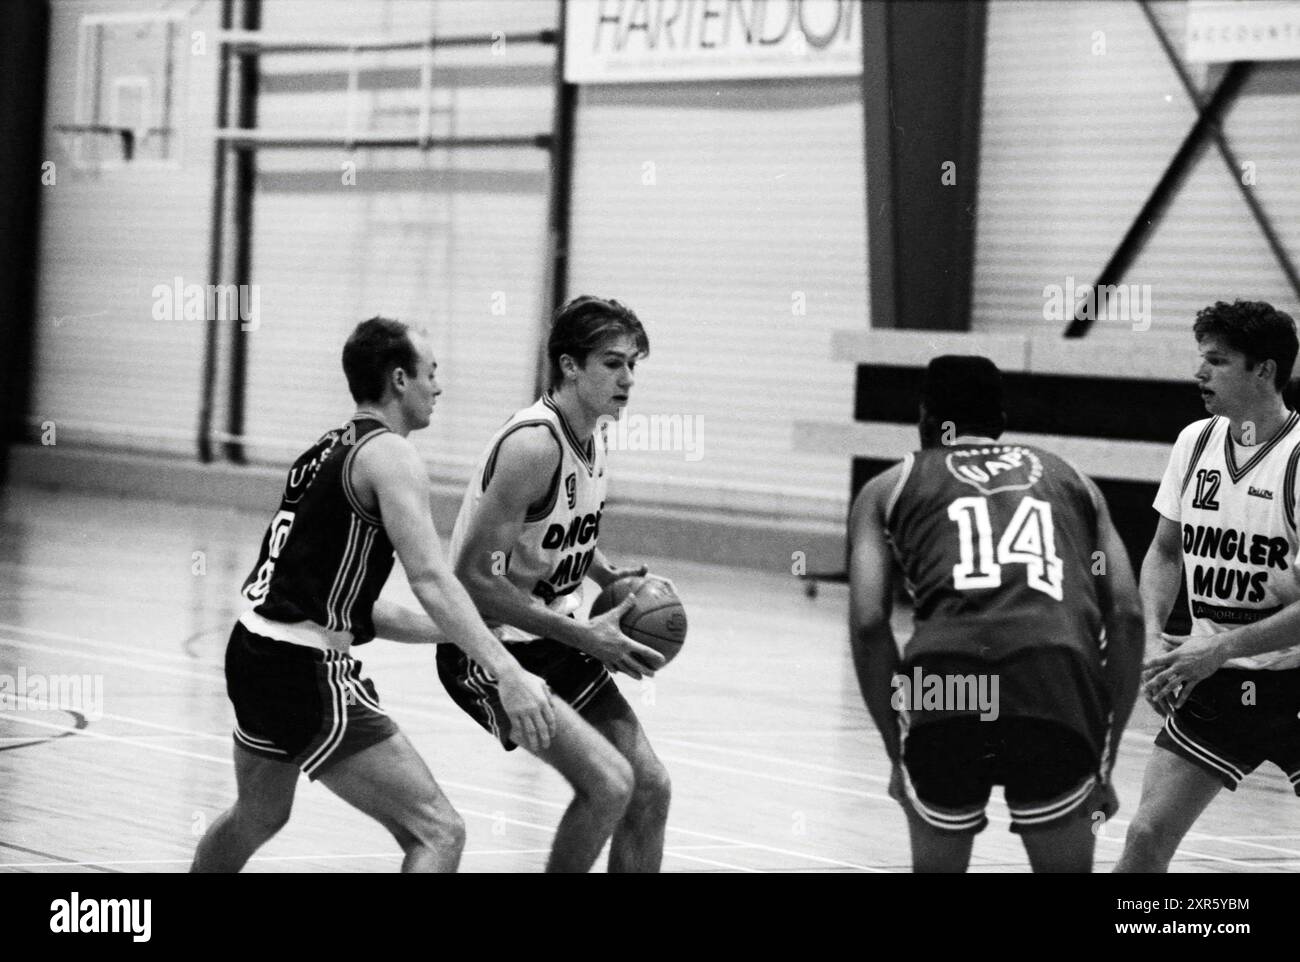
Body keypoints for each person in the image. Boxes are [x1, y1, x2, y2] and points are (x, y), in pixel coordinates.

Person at [192, 316, 555, 873]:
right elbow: (431, 579)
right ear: (399, 379)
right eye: (431, 373)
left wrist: (459, 625)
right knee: (439, 831)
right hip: (302, 667)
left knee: (258, 814)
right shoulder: (392, 455)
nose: (439, 386)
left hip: (253, 650)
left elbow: (352, 604)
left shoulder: (326, 449)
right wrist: (508, 671)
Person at [848, 355, 1144, 872]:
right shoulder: (1072, 478)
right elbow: (1127, 616)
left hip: (944, 679)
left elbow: (870, 622)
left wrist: (899, 754)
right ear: (1001, 420)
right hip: (1055, 677)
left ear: (924, 417)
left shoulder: (888, 488)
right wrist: (1106, 758)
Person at [437, 295, 672, 873]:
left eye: (633, 365)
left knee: (650, 789)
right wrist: (588, 638)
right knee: (610, 787)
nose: (628, 379)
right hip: (489, 649)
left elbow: (559, 528)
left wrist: (602, 570)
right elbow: (472, 578)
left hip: (556, 638)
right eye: (614, 363)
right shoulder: (533, 445)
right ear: (570, 365)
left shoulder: (591, 433)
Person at [1116, 300, 1300, 873]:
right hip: (1218, 682)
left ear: (1264, 371)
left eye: (1216, 361)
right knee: (1146, 837)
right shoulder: (1195, 442)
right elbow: (1165, 552)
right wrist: (1151, 637)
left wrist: (1218, 646)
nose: (1199, 373)